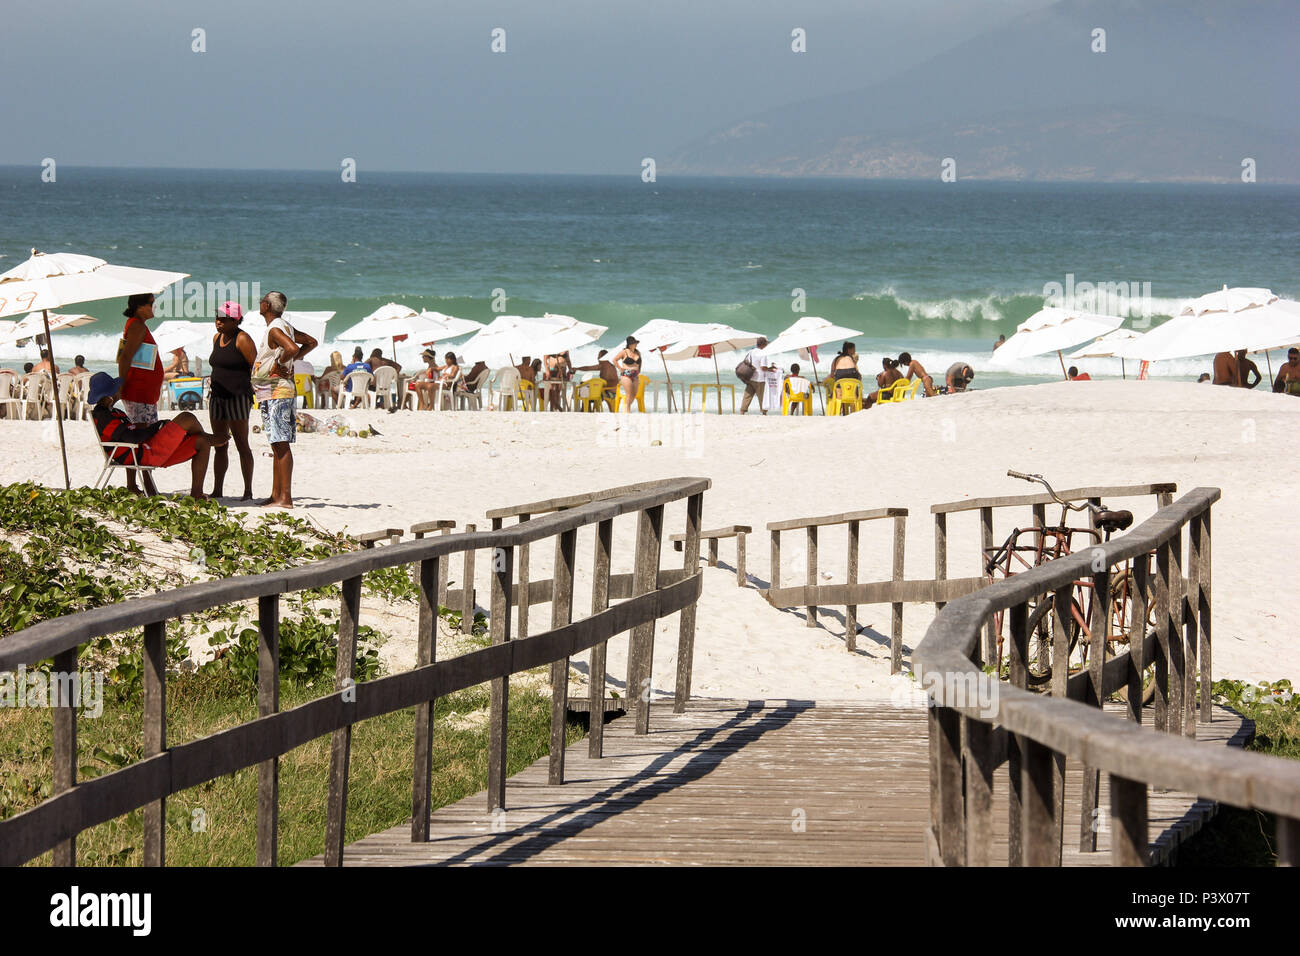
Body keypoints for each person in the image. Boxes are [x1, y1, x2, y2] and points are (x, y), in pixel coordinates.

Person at [88, 372, 225, 499]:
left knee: (202, 441)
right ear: (109, 396)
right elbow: (132, 438)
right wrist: (157, 426)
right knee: (186, 417)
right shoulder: (104, 417)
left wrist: (149, 427)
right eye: (116, 389)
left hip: (143, 449)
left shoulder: (113, 412)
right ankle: (210, 438)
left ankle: (196, 493)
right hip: (144, 453)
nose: (119, 390)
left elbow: (128, 434)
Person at [253, 291, 316, 508]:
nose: (260, 303)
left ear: (266, 306)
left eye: (263, 301)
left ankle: (285, 498)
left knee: (281, 444)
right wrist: (290, 361)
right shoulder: (285, 326)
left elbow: (292, 347)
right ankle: (275, 494)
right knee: (276, 444)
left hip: (277, 391)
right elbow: (311, 342)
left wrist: (282, 362)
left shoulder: (275, 328)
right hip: (274, 389)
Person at [114, 292, 165, 494]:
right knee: (141, 436)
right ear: (139, 306)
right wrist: (121, 385)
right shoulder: (136, 325)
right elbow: (125, 357)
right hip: (138, 391)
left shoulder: (137, 325)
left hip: (143, 392)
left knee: (142, 435)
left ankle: (140, 483)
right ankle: (140, 484)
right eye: (151, 303)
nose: (154, 307)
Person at [208, 300, 257, 500]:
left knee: (241, 444)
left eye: (224, 319)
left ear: (236, 320)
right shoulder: (216, 338)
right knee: (220, 444)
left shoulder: (242, 338)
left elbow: (256, 367)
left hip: (238, 398)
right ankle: (217, 490)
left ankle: (248, 491)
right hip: (217, 398)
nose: (218, 322)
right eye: (217, 318)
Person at [739, 336, 776, 414]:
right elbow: (763, 368)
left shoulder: (750, 352)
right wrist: (771, 369)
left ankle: (742, 411)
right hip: (759, 378)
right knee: (762, 396)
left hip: (750, 377)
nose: (766, 346)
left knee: (747, 395)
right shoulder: (763, 353)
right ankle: (764, 412)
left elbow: (747, 362)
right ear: (763, 344)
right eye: (766, 344)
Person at [613, 336, 642, 412]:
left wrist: (639, 370)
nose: (635, 344)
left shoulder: (637, 352)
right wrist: (620, 368)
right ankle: (628, 411)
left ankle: (626, 406)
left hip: (635, 374)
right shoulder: (624, 352)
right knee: (629, 393)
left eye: (636, 343)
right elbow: (614, 360)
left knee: (634, 394)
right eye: (634, 343)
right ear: (629, 344)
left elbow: (640, 362)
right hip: (626, 374)